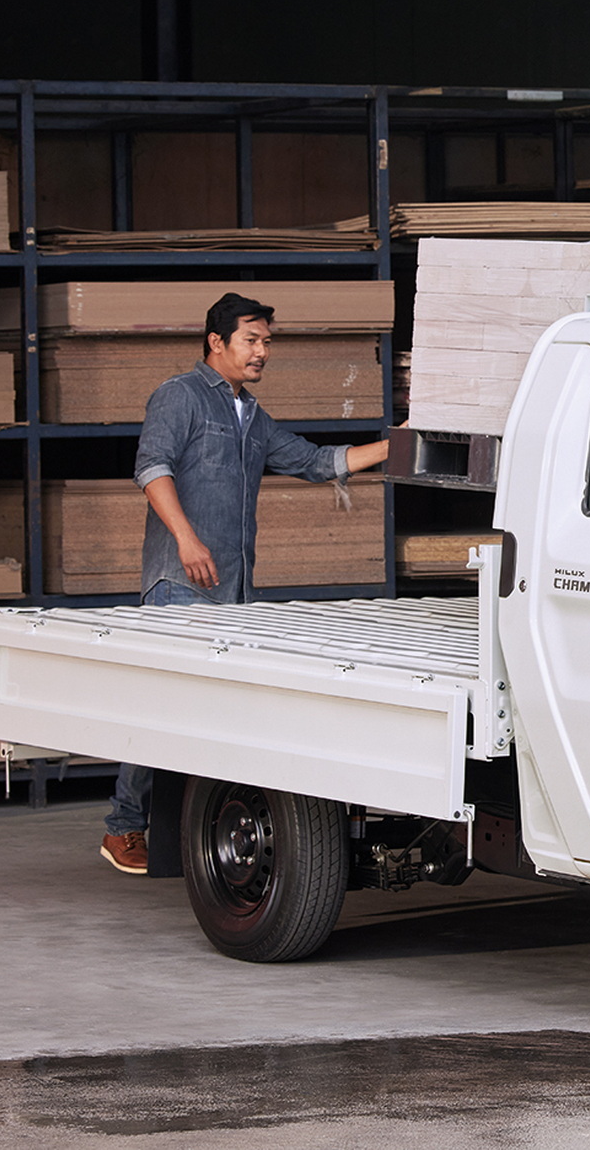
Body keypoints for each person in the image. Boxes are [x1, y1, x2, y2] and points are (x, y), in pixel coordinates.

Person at [99, 292, 390, 874]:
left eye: (267, 343)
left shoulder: (253, 416)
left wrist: (398, 443)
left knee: (207, 712)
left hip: (233, 592)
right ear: (217, 342)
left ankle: (185, 832)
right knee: (161, 706)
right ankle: (123, 826)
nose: (262, 352)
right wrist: (185, 538)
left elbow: (317, 462)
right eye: (251, 341)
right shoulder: (178, 396)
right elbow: (151, 467)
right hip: (178, 582)